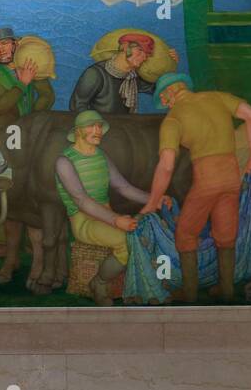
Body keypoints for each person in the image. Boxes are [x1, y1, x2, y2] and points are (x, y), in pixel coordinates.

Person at [139, 73, 251, 303]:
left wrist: (153, 201)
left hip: (207, 180)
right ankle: (226, 291)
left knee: (185, 233)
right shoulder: (218, 98)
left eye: (163, 99)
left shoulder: (173, 119)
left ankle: (190, 294)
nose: (164, 105)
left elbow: (166, 166)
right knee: (225, 234)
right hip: (231, 177)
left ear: (169, 94)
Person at [56, 110, 170, 305]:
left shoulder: (101, 155)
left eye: (99, 126)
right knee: (126, 242)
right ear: (78, 131)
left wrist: (154, 199)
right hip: (84, 221)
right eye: (92, 126)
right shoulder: (64, 161)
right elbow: (82, 201)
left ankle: (143, 289)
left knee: (147, 231)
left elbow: (123, 187)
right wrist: (116, 220)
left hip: (107, 215)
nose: (98, 130)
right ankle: (98, 284)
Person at [70, 33, 176, 114]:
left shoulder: (133, 77)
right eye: (140, 51)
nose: (144, 57)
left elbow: (157, 89)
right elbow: (77, 105)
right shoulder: (95, 74)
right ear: (125, 47)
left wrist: (171, 63)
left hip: (124, 128)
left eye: (147, 54)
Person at [0, 25, 55, 132]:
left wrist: (33, 117)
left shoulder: (28, 65)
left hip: (30, 128)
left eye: (5, 44)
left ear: (15, 44)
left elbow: (47, 95)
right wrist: (22, 83)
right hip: (3, 130)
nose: (1, 50)